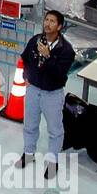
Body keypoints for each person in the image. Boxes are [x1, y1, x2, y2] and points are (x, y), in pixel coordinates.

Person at [19, 10, 75, 178]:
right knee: (29, 124)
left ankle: (52, 162)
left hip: (52, 94)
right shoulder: (35, 40)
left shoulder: (66, 50)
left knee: (55, 130)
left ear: (59, 26)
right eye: (46, 20)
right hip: (33, 90)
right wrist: (26, 77)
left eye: (52, 21)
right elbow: (25, 59)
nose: (47, 24)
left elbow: (59, 73)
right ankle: (28, 154)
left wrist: (48, 57)